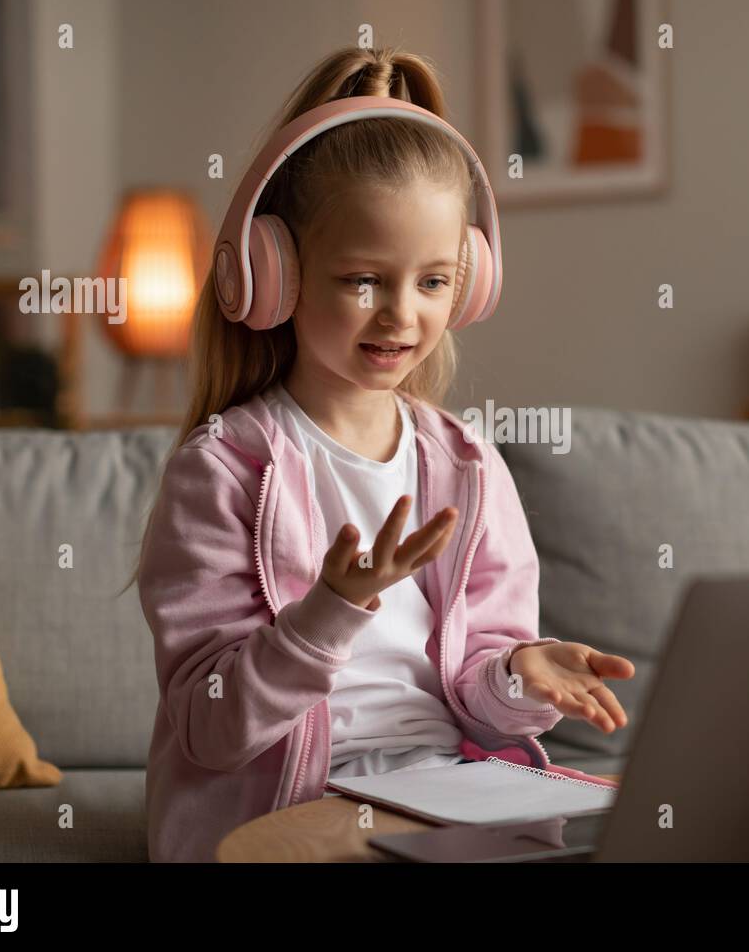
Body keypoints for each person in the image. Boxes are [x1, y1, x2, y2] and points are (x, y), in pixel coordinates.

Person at [131, 45, 635, 862]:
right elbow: (212, 727)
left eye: (434, 281)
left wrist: (519, 672)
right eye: (364, 279)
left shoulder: (468, 466)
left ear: (470, 283)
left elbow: (480, 690)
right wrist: (329, 609)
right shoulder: (224, 469)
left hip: (446, 788)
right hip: (289, 808)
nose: (401, 315)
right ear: (276, 275)